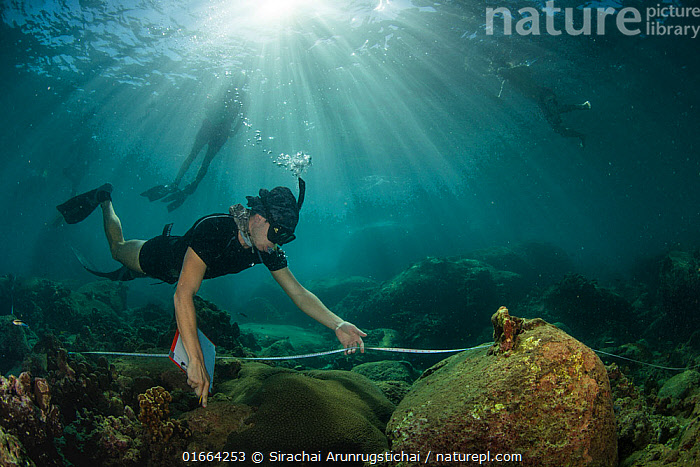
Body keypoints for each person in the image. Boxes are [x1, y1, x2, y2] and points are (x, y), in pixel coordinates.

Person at [56, 179, 367, 407]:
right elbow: (183, 295)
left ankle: (119, 245)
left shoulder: (265, 247)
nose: (277, 243)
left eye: (286, 237)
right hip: (159, 259)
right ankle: (104, 198)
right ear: (258, 216)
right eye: (276, 233)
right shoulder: (214, 229)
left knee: (126, 269)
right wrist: (194, 360)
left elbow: (298, 293)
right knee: (117, 250)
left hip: (180, 271)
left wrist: (337, 324)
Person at [141, 83, 247, 211]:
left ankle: (176, 183)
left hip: (210, 126)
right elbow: (241, 116)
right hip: (221, 130)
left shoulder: (226, 90)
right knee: (205, 161)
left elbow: (207, 105)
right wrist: (233, 130)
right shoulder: (242, 96)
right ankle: (190, 186)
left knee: (193, 156)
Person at [497, 62, 591, 148]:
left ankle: (582, 106)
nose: (505, 76)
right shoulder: (507, 82)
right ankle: (581, 135)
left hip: (543, 93)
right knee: (557, 129)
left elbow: (530, 68)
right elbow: (501, 96)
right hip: (539, 101)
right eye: (503, 75)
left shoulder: (516, 70)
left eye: (504, 73)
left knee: (555, 109)